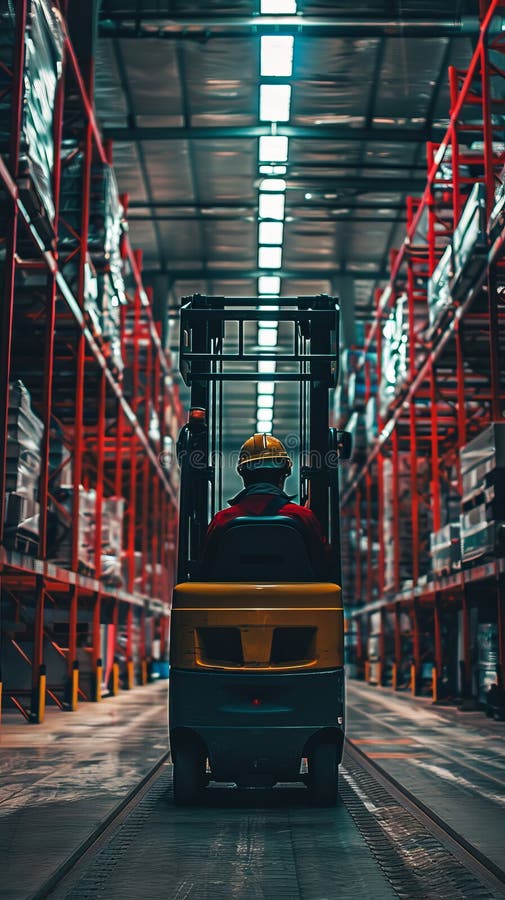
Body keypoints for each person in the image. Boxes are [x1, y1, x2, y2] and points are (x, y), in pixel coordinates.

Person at [204, 433, 329, 573]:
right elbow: (324, 567)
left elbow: (205, 570)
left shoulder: (222, 520)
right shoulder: (303, 517)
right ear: (284, 475)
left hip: (233, 595)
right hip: (294, 595)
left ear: (243, 475)